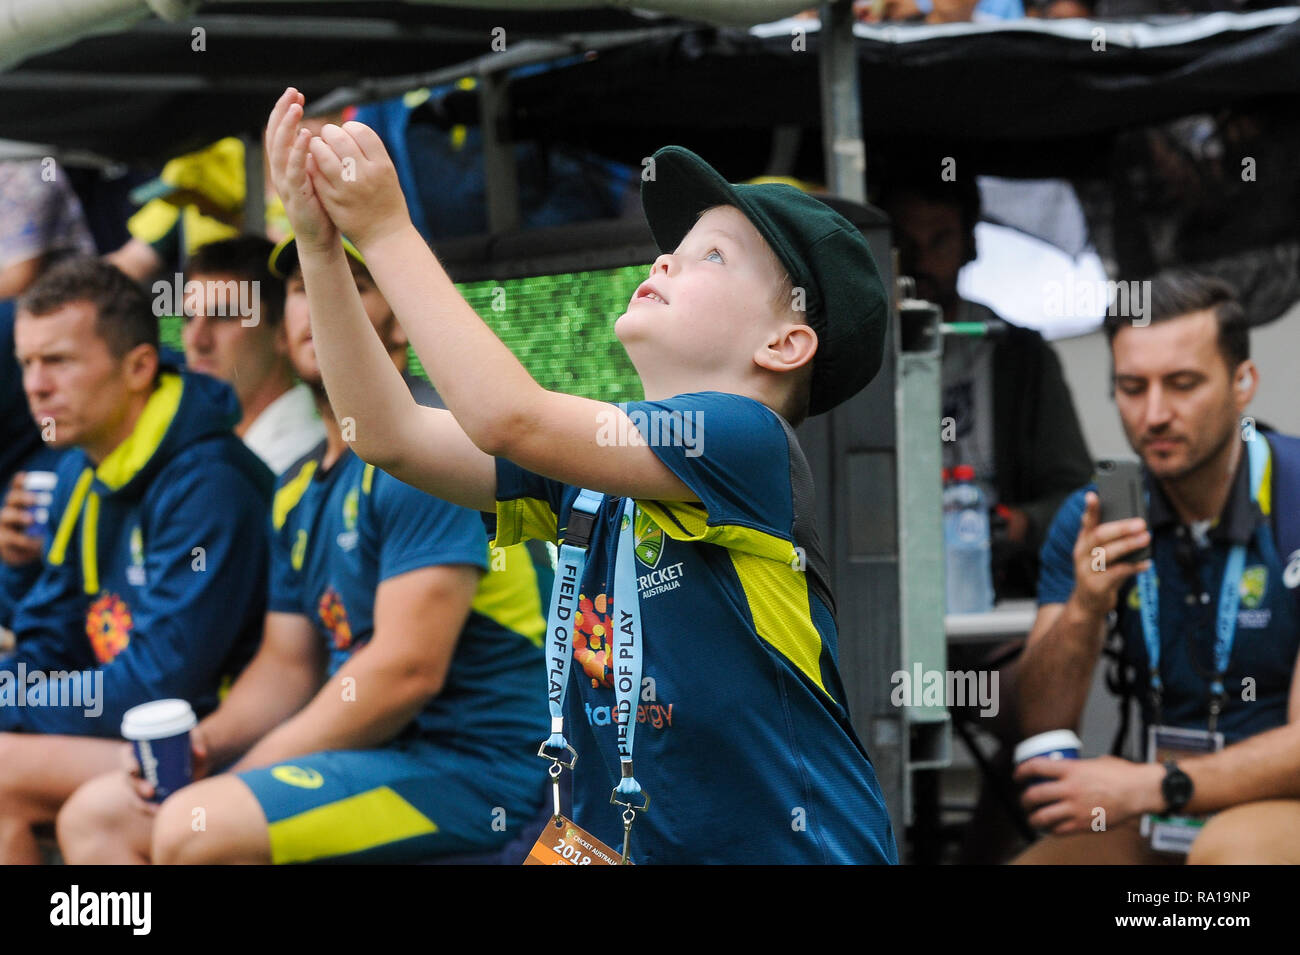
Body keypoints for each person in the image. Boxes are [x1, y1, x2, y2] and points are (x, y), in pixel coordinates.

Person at [258, 87, 898, 864]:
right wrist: (321, 247)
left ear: (786, 344)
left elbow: (508, 417)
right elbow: (384, 433)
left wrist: (387, 230)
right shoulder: (597, 473)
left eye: (712, 256)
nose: (665, 256)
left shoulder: (744, 439)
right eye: (676, 245)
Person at [58, 239, 549, 864]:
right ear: (282, 328)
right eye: (300, 289)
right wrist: (205, 745)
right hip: (372, 755)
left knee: (196, 826)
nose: (321, 299)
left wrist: (243, 773)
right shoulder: (295, 490)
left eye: (353, 283)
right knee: (97, 817)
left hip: (477, 773)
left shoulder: (430, 454)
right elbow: (287, 664)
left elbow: (404, 674)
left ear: (399, 318)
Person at [1014, 273, 1300, 864]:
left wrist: (1149, 785)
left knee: (1231, 858)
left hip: (1272, 803)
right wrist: (1086, 607)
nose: (1155, 414)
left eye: (1183, 384)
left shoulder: (1296, 497)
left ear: (1243, 382)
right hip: (1168, 811)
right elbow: (1040, 724)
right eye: (1132, 387)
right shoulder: (1095, 513)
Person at [0, 257, 272, 864]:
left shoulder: (209, 484)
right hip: (122, 734)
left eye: (58, 361)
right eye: (26, 364)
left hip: (209, 746)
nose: (36, 387)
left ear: (139, 367)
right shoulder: (81, 465)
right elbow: (47, 636)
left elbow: (156, 683)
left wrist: (10, 700)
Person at [181, 236, 325, 473]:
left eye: (225, 316)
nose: (197, 341)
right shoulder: (207, 449)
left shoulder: (307, 454)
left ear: (283, 332)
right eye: (189, 318)